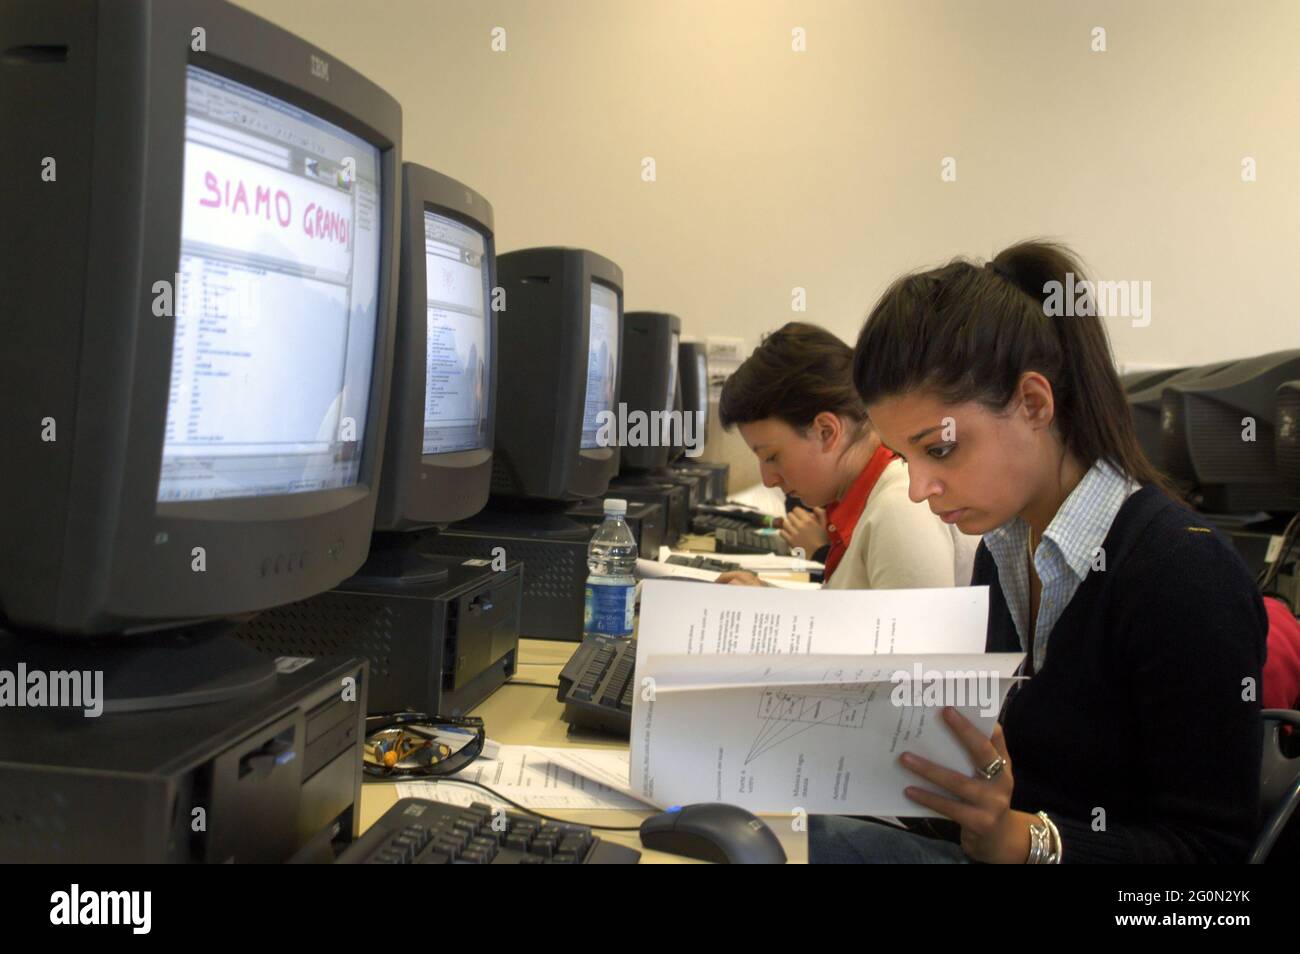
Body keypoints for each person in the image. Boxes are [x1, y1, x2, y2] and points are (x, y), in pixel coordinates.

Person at [809, 240, 1267, 863]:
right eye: (904, 457)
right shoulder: (1003, 547)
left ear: (1033, 404)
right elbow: (1012, 772)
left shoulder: (1183, 573)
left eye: (938, 450)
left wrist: (1023, 840)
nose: (918, 489)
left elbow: (1210, 871)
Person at [715, 322, 977, 589]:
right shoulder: (868, 499)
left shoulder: (900, 510)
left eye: (771, 457)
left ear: (827, 431)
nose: (769, 479)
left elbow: (908, 631)